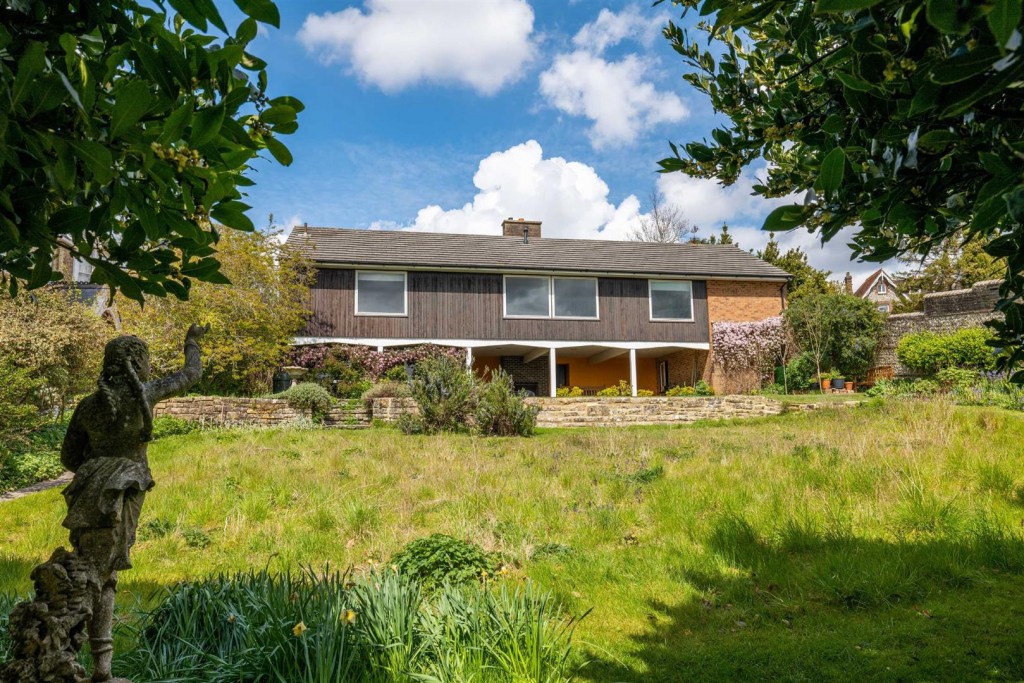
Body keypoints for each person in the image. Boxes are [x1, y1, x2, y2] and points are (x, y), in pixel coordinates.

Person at [59, 324, 208, 682]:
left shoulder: (89, 406)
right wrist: (192, 342)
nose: (150, 368)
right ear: (136, 362)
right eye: (147, 360)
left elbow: (68, 457)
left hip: (89, 489)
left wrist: (97, 468)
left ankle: (80, 659)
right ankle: (98, 669)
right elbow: (191, 374)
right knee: (103, 577)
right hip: (123, 490)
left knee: (88, 569)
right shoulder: (147, 394)